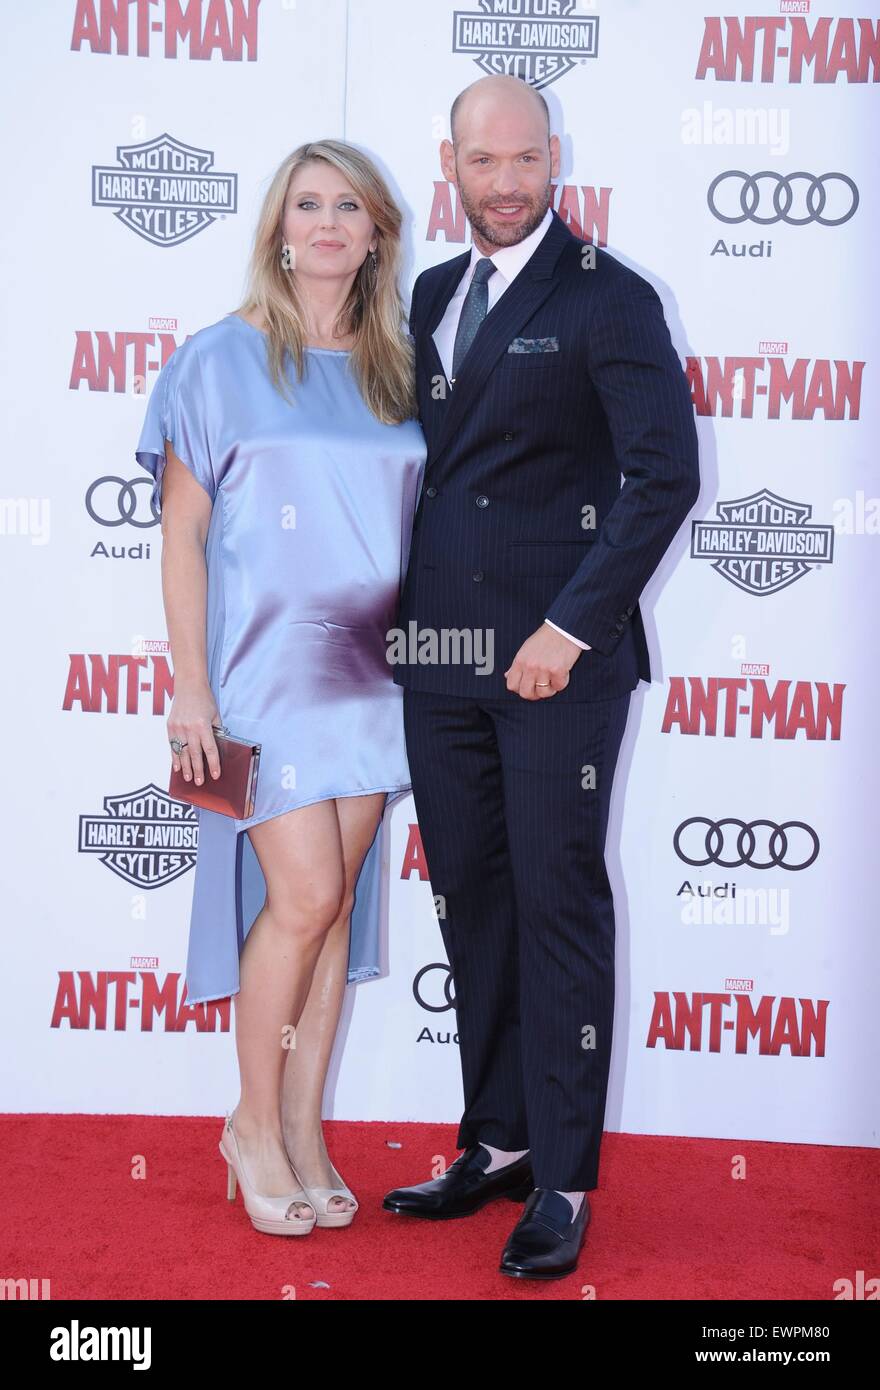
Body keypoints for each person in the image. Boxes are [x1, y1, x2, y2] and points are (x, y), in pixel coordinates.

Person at [383, 75, 700, 1279]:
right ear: (449, 168)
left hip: (557, 664)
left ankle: (563, 1178)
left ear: (555, 158)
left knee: (558, 903)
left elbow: (660, 475)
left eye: (525, 160)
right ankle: (498, 1138)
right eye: (482, 162)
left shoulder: (611, 300)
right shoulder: (427, 294)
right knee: (471, 900)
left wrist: (569, 628)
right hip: (439, 654)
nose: (506, 183)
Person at [135, 140, 426, 1236]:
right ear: (276, 227)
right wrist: (190, 692)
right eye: (306, 204)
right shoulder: (217, 360)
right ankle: (251, 1125)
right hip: (265, 673)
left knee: (334, 911)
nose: (326, 224)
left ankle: (303, 1126)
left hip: (375, 674)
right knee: (299, 900)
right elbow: (183, 536)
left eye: (348, 206)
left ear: (376, 232)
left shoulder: (396, 364)